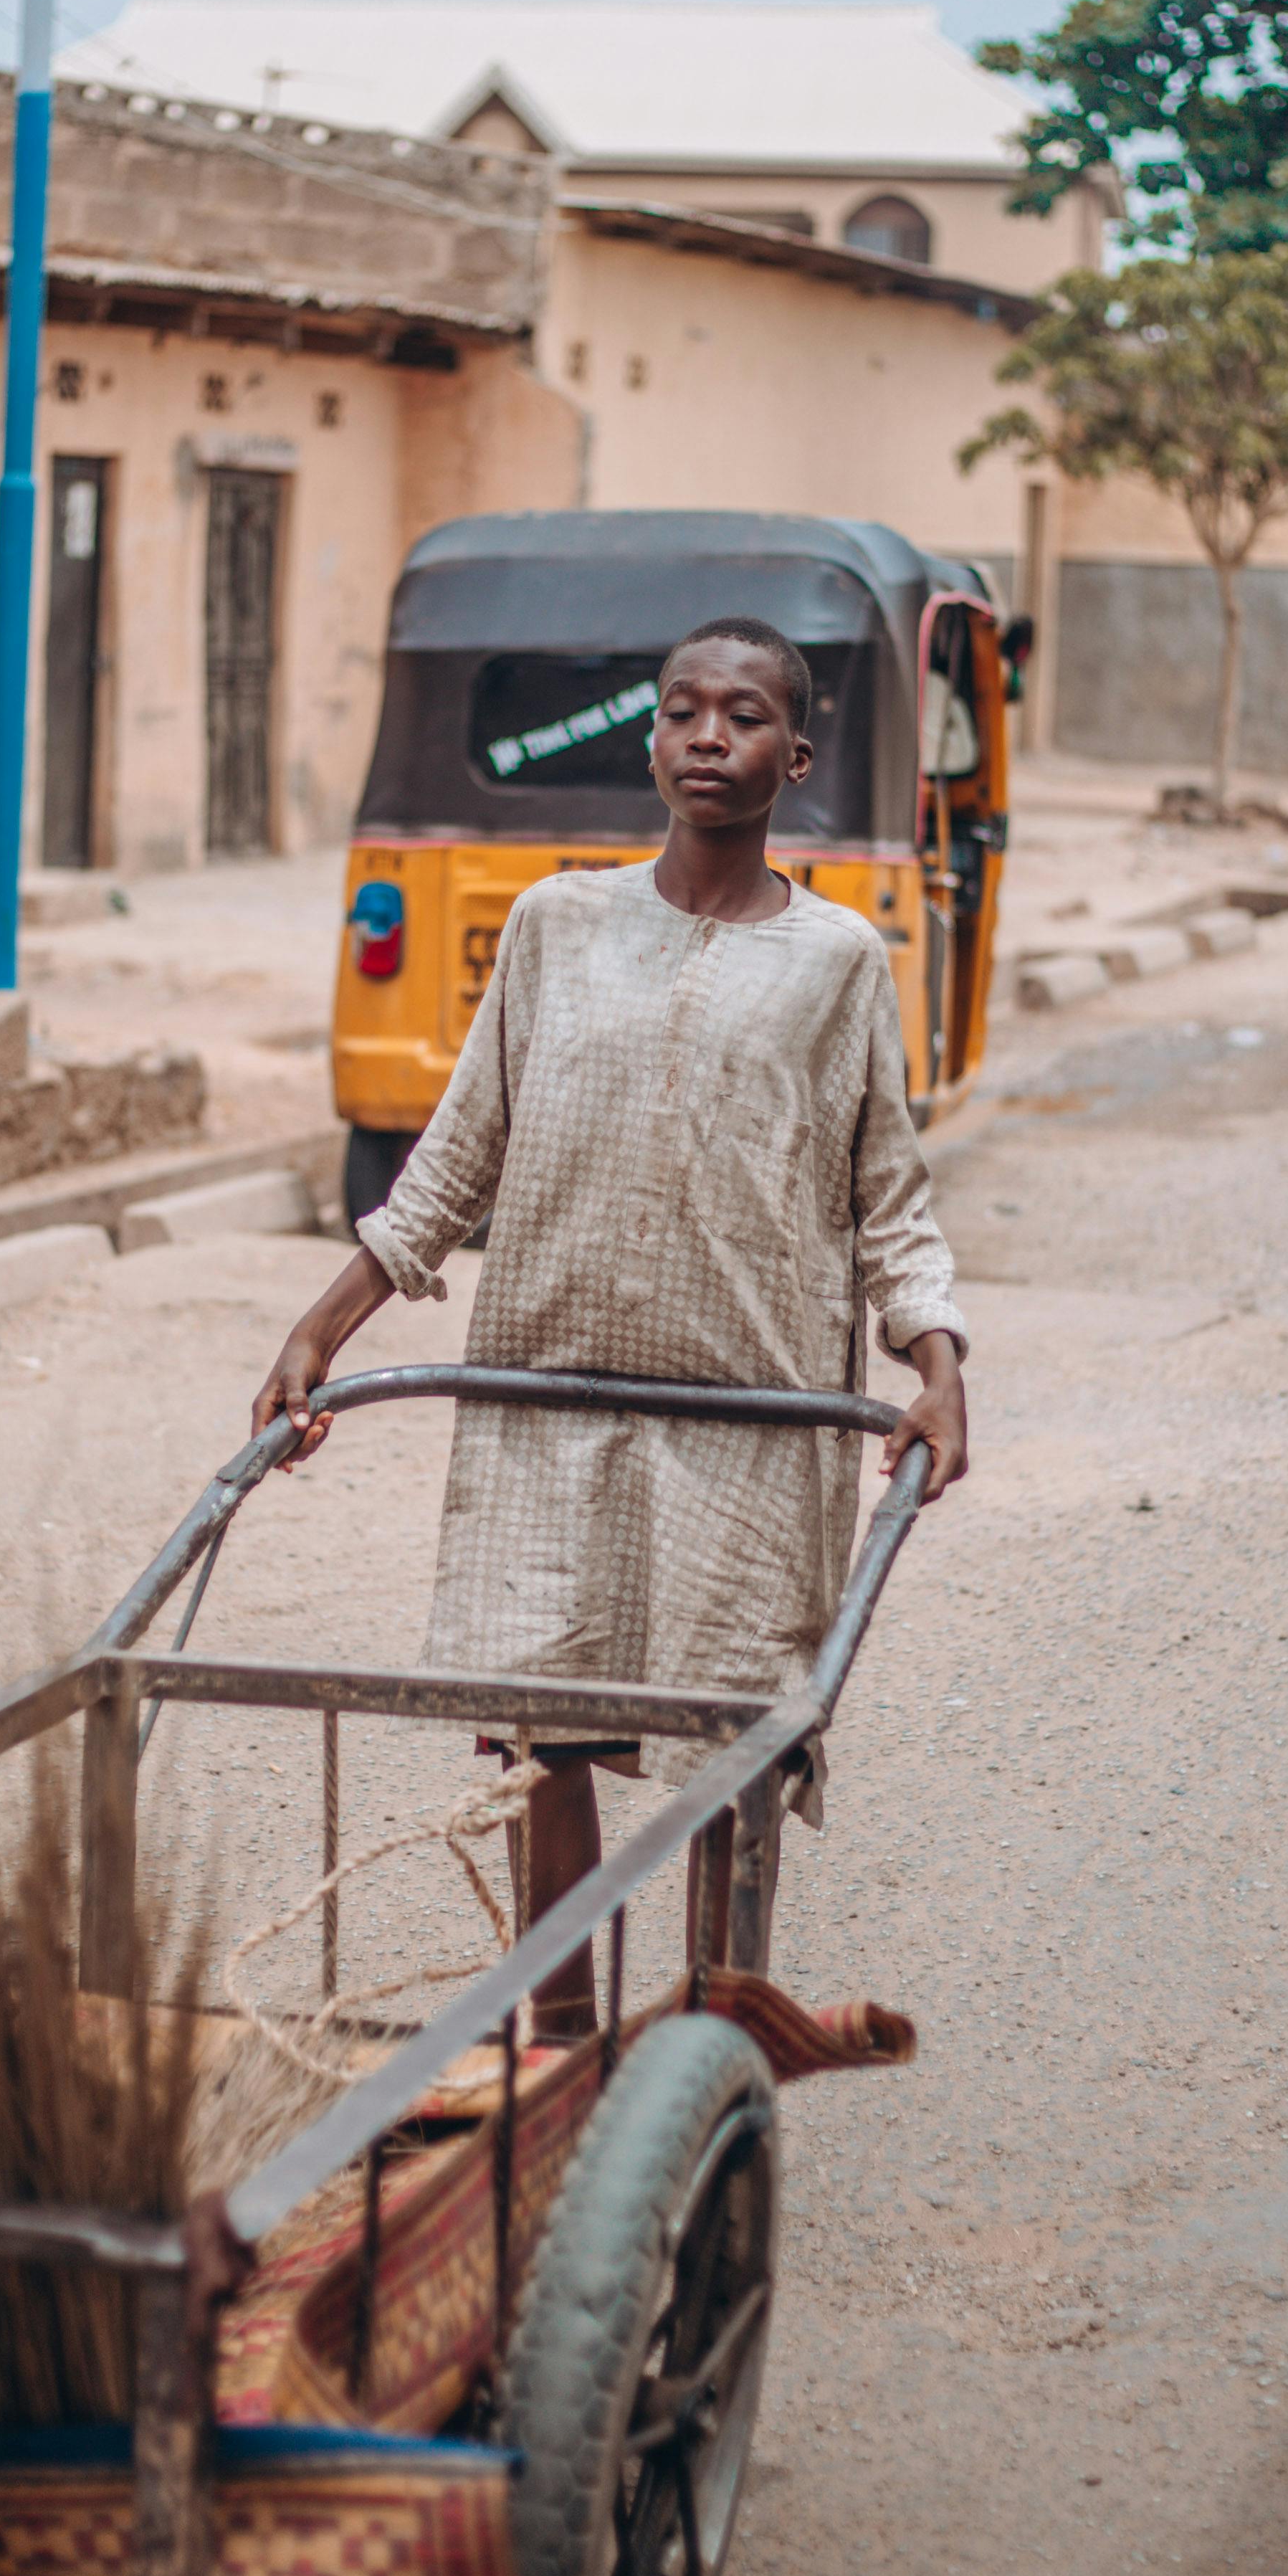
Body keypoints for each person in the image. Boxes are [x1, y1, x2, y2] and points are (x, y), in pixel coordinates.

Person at [249, 617, 968, 2030]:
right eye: (685, 712)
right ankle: (563, 2041)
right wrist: (320, 1329)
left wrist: (937, 1370)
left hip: (748, 1425)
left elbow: (890, 1198)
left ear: (796, 756)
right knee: (547, 1726)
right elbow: (454, 1161)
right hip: (547, 1407)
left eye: (745, 716)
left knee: (727, 1740)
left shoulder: (838, 964)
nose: (711, 737)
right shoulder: (556, 925)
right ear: (649, 743)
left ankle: (709, 2039)